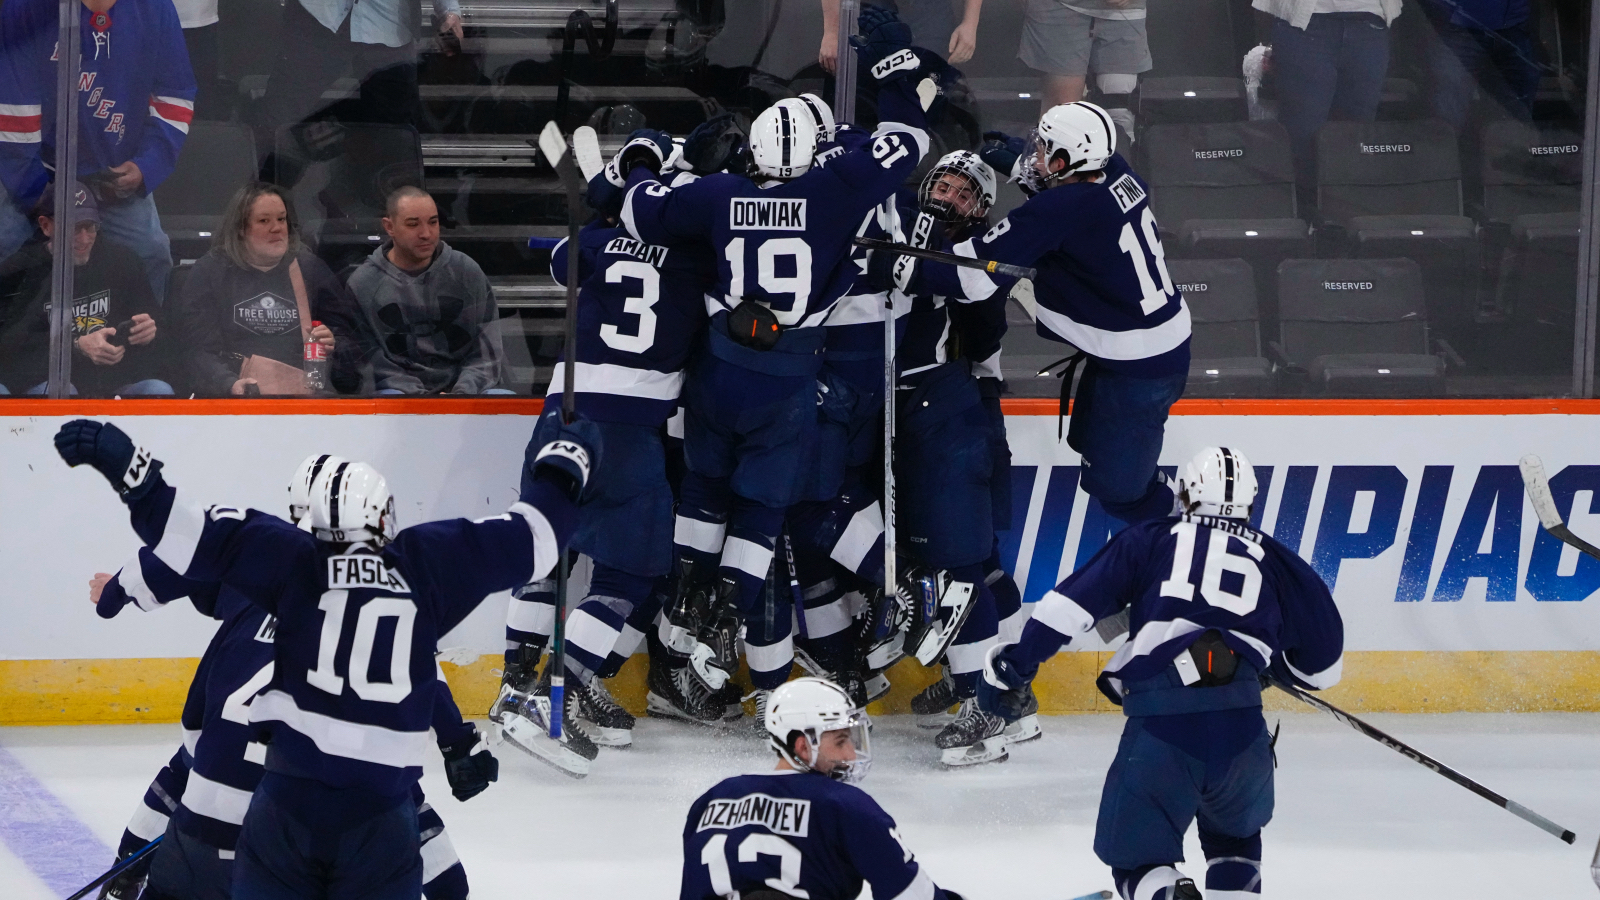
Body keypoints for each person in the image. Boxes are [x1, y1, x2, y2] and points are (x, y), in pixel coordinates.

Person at [53, 415, 595, 899]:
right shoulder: (422, 573)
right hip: (375, 819)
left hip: (272, 815)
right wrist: (563, 464)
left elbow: (183, 542)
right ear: (384, 517)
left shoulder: (282, 566)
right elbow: (534, 538)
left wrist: (134, 477)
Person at [621, 8, 932, 708]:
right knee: (768, 509)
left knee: (705, 494)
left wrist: (646, 163)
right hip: (790, 378)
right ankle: (733, 612)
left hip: (713, 375)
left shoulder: (722, 194)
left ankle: (698, 605)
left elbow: (638, 212)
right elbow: (909, 140)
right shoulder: (832, 188)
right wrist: (894, 65)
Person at [90, 454, 490, 900]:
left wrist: (120, 588)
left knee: (198, 760)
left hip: (198, 839)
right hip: (285, 843)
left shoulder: (252, 579)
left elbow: (184, 554)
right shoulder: (387, 617)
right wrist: (458, 744)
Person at [980, 446, 1345, 900]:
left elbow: (1063, 611)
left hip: (1164, 734)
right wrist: (1269, 666)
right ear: (1250, 504)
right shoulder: (1278, 561)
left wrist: (1014, 668)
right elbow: (1323, 670)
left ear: (1185, 493)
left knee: (1138, 864)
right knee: (1235, 844)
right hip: (1244, 737)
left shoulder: (1152, 538)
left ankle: (1169, 894)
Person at [490, 176, 719, 775]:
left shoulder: (597, 244)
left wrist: (602, 216)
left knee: (544, 553)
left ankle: (513, 686)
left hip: (560, 415)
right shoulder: (702, 257)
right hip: (627, 427)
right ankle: (550, 693)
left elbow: (562, 263)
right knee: (628, 574)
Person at [928, 101, 1189, 527]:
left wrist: (908, 265)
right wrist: (1022, 164)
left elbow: (970, 277)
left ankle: (1191, 535)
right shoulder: (1117, 169)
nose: (1035, 155)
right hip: (1144, 342)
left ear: (1066, 160)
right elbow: (1075, 200)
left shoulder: (1060, 210)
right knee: (1089, 446)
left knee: (1118, 490)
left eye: (1045, 149)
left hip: (1142, 369)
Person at [866, 151, 1037, 766]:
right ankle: (996, 689)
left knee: (969, 562)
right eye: (944, 182)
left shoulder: (977, 255)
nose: (950, 194)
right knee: (967, 560)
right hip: (907, 409)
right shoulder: (899, 221)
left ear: (981, 210)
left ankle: (992, 701)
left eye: (966, 192)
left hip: (951, 409)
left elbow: (983, 327)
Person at [681, 677, 965, 900]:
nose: (852, 754)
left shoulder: (712, 799)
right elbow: (911, 895)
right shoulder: (845, 805)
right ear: (803, 746)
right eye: (841, 741)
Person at [0, 0, 195, 302]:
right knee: (5, 243)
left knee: (152, 250)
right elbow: (12, 110)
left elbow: (175, 94)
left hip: (112, 178)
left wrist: (146, 166)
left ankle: (149, 344)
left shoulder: (155, 7)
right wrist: (36, 192)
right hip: (38, 169)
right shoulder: (23, 7)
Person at [172, 183, 362, 396]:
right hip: (236, 397)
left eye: (281, 219)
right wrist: (228, 384)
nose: (277, 228)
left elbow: (351, 346)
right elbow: (197, 351)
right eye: (264, 221)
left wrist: (333, 344)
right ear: (241, 229)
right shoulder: (210, 271)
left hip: (304, 397)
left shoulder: (312, 269)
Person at [0, 183, 172, 396]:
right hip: (42, 386)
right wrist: (75, 347)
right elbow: (9, 354)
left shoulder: (123, 261)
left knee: (157, 389)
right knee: (63, 391)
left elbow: (164, 340)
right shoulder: (20, 272)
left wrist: (149, 334)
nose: (83, 239)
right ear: (46, 226)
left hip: (112, 386)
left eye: (90, 227)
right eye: (73, 228)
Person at [347, 186, 511, 395]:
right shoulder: (363, 283)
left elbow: (486, 353)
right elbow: (371, 361)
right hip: (400, 394)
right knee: (390, 399)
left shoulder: (467, 272)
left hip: (464, 393)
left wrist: (460, 395)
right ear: (389, 227)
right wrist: (423, 399)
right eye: (413, 224)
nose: (426, 233)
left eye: (433, 222)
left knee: (502, 399)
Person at [1255, 0, 1401, 196]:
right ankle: (1304, 215)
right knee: (1302, 132)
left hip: (1370, 22)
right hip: (1306, 23)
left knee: (1356, 135)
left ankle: (1343, 216)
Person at [258, 0, 463, 138]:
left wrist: (447, 9)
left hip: (389, 26)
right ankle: (266, 196)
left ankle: (383, 197)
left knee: (393, 132)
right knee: (282, 115)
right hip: (319, 16)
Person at [1017, 0, 1148, 131]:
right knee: (1061, 118)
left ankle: (1120, 149)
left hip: (1127, 12)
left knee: (1120, 111)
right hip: (1062, 9)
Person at [819, 0, 985, 71]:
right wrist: (833, 33)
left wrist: (970, 23)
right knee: (868, 99)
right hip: (873, 12)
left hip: (930, 15)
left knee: (928, 93)